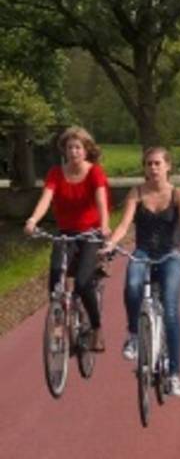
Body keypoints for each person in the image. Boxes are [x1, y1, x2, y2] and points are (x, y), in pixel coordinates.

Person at [104, 147, 180, 397]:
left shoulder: (178, 194)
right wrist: (111, 244)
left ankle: (174, 374)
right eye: (149, 164)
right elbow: (124, 225)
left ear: (168, 166)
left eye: (158, 163)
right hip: (142, 253)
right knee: (132, 285)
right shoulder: (137, 193)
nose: (153, 168)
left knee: (170, 310)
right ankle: (134, 335)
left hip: (170, 254)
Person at [23, 126, 111, 351]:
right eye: (70, 148)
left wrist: (104, 226)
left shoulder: (94, 173)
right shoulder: (55, 173)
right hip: (65, 233)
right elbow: (46, 199)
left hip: (90, 233)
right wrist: (33, 220)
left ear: (86, 150)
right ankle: (58, 327)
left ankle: (96, 328)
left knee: (82, 282)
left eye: (78, 147)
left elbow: (101, 202)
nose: (73, 152)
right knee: (55, 277)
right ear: (64, 150)